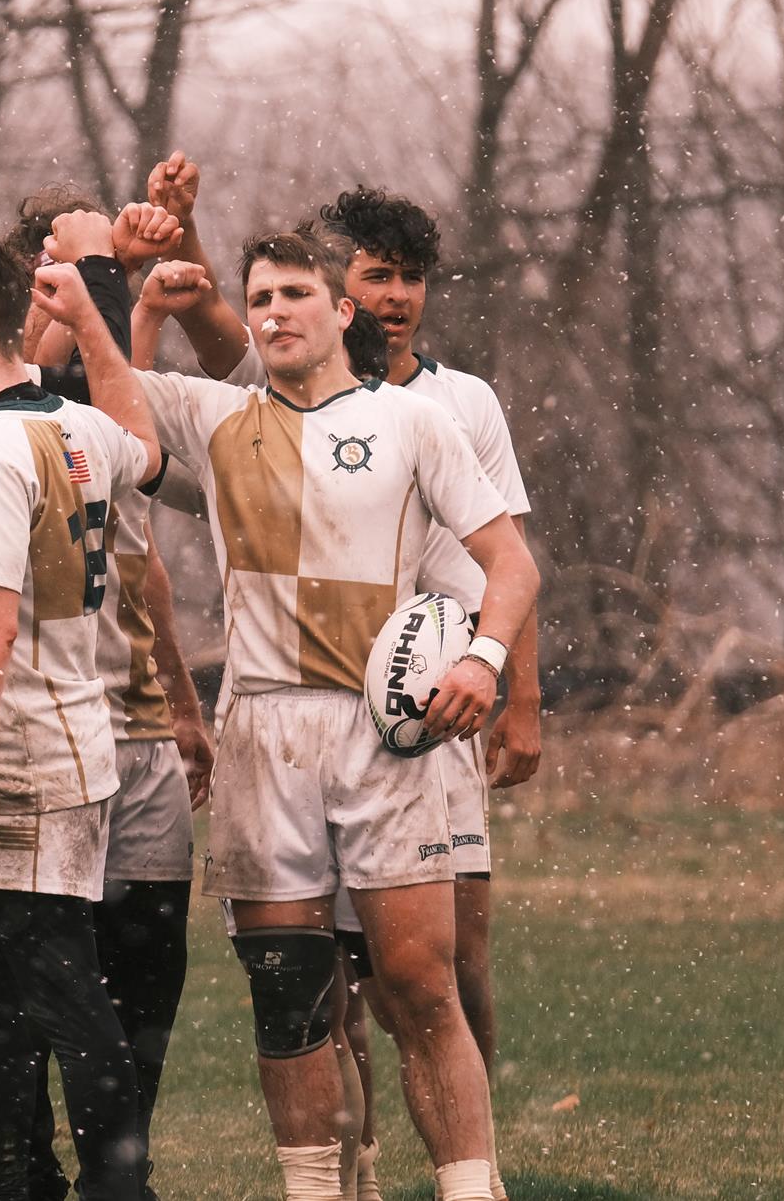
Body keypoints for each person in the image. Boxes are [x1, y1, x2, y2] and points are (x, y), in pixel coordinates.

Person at [144, 162, 541, 1201]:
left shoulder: (450, 407)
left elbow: (512, 559)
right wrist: (163, 260)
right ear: (347, 288)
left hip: (417, 720)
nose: (393, 294)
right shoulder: (239, 422)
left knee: (433, 973)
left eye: (412, 275)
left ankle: (466, 1177)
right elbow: (189, 382)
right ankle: (345, 1177)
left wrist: (499, 677)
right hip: (276, 733)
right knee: (305, 991)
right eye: (378, 273)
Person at [0, 232, 165, 1201]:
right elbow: (149, 448)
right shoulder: (76, 428)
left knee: (55, 988)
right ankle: (13, 1184)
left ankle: (114, 1187)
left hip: (25, 766)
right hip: (54, 749)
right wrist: (94, 326)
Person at [9, 201, 217, 1201]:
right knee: (42, 984)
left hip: (135, 732)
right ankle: (30, 1172)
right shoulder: (4, 409)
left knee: (146, 984)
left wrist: (182, 703)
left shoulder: (99, 414)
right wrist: (102, 260)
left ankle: (116, 1173)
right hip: (46, 739)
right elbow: (46, 348)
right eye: (54, 274)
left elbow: (145, 571)